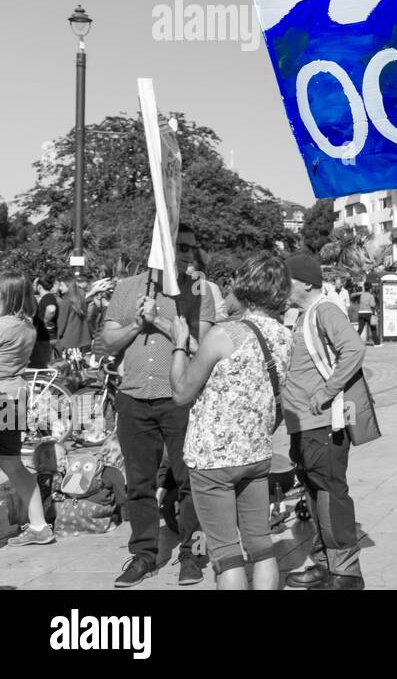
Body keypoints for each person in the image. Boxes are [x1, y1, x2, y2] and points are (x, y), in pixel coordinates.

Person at [96, 222, 214, 587]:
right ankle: (143, 555)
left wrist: (160, 321)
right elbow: (108, 341)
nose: (185, 254)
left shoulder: (199, 290)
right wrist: (136, 324)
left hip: (179, 396)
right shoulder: (128, 288)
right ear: (158, 247)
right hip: (133, 398)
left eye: (189, 248)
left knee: (189, 478)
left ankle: (191, 554)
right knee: (139, 482)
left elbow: (203, 348)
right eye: (178, 247)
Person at [169, 253, 291, 590]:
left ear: (244, 288)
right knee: (262, 547)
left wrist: (180, 347)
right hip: (256, 453)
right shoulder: (283, 335)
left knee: (227, 555)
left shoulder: (224, 334)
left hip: (214, 460)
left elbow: (181, 391)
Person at [283, 252, 370, 590]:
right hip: (302, 425)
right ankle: (323, 565)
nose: (282, 286)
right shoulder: (303, 316)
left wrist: (326, 391)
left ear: (306, 282)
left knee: (332, 495)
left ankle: (347, 573)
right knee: (314, 495)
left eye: (287, 279)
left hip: (322, 424)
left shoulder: (325, 310)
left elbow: (354, 349)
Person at [0, 271, 56, 546]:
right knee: (12, 462)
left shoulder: (4, 326)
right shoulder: (28, 326)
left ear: (7, 296)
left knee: (11, 463)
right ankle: (39, 525)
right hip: (15, 396)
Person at [56, 276, 95, 354]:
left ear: (68, 286)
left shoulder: (66, 302)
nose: (60, 288)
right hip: (82, 339)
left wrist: (56, 335)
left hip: (68, 341)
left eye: (61, 285)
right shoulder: (81, 300)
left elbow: (61, 324)